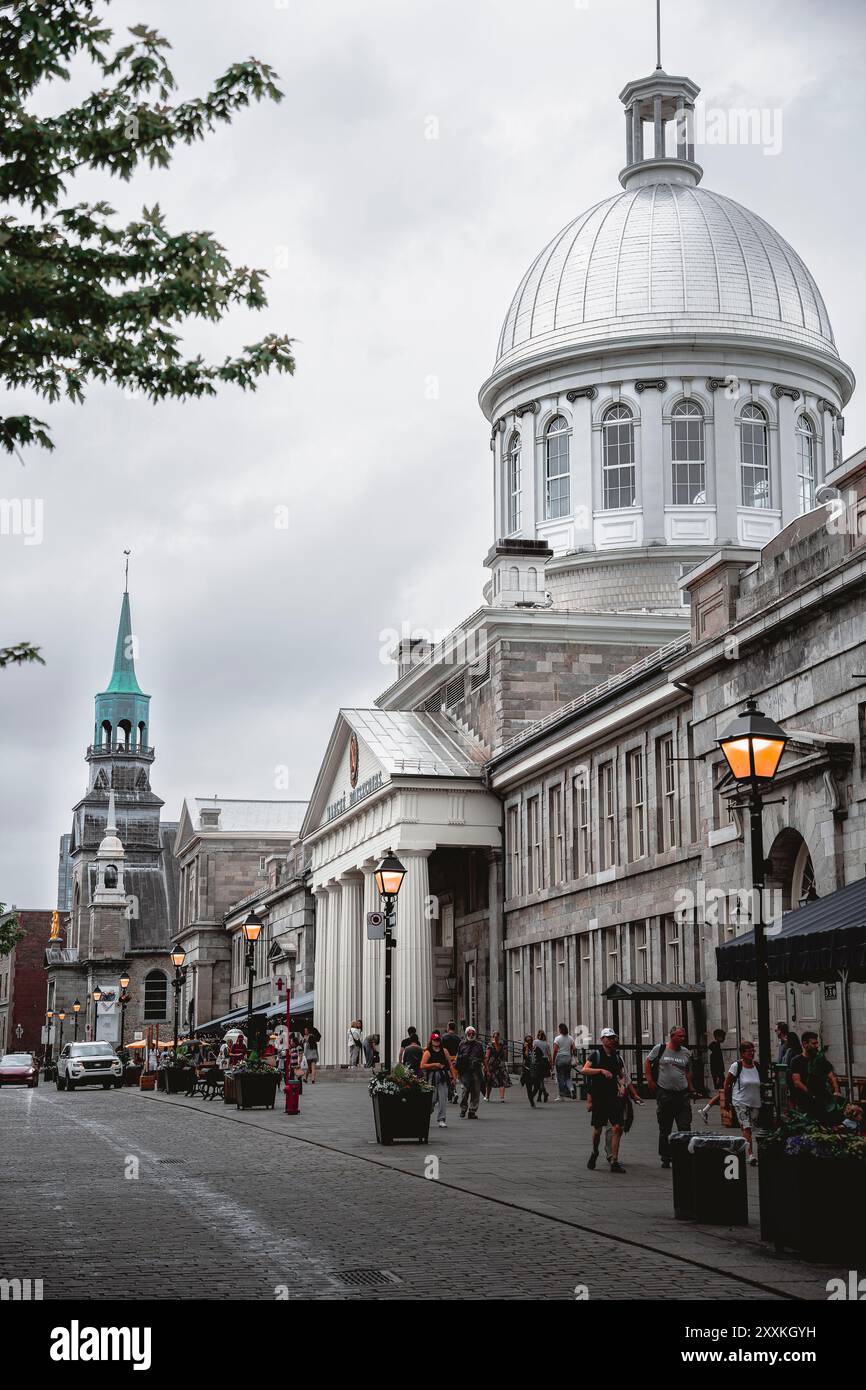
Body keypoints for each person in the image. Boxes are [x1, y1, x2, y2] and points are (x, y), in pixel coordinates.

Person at [645, 1025, 694, 1168]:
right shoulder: (660, 1049)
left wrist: (690, 1087)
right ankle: (665, 1156)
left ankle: (684, 1155)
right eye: (679, 1036)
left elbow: (688, 1070)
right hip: (665, 1093)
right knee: (665, 1127)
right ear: (672, 1036)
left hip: (682, 1094)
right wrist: (649, 1080)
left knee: (685, 1126)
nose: (682, 1039)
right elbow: (647, 1062)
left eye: (683, 1036)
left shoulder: (686, 1053)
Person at [583, 1027, 630, 1172]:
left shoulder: (616, 1057)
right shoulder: (596, 1055)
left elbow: (621, 1075)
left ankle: (614, 1160)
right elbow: (584, 1070)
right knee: (597, 1130)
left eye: (613, 1038)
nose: (611, 1040)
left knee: (617, 1127)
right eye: (608, 1038)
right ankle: (595, 1151)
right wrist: (600, 1070)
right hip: (599, 1097)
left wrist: (622, 1086)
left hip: (613, 1097)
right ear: (602, 1040)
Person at [723, 1040, 762, 1164]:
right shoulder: (736, 1066)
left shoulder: (757, 1065)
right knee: (747, 1127)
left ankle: (739, 1146)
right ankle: (751, 1155)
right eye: (748, 1051)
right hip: (740, 1101)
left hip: (755, 1102)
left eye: (753, 1051)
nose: (751, 1053)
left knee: (751, 1129)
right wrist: (727, 1101)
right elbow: (727, 1084)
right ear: (742, 1053)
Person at [789, 1031, 841, 1121]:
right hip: (804, 1102)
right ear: (805, 1044)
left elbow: (832, 1076)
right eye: (813, 1043)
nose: (816, 1046)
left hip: (822, 1101)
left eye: (817, 1043)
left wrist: (836, 1092)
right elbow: (797, 1082)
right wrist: (811, 1093)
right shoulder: (796, 1061)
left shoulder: (819, 1059)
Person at [421, 1032, 458, 1128]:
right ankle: (428, 1110)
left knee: (442, 1098)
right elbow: (422, 1065)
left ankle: (441, 1119)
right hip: (432, 1077)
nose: (436, 1042)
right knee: (432, 1099)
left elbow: (450, 1065)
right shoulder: (427, 1052)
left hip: (443, 1076)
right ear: (431, 1041)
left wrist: (454, 1078)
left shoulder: (444, 1051)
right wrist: (434, 1065)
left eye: (438, 1040)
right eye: (434, 1040)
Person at [456, 1026, 486, 1118]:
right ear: (466, 1034)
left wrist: (486, 1069)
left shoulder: (479, 1045)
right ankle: (463, 1109)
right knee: (465, 1090)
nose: (471, 1035)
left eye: (473, 1033)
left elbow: (483, 1057)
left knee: (476, 1091)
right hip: (465, 1071)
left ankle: (472, 1111)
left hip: (476, 1070)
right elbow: (458, 1057)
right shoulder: (462, 1044)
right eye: (469, 1033)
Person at [699, 1028, 728, 1123]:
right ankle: (705, 1110)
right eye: (723, 1037)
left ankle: (706, 1110)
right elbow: (716, 1063)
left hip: (719, 1073)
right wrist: (718, 1076)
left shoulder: (716, 1047)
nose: (724, 1039)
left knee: (722, 1093)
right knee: (722, 1093)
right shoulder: (715, 1048)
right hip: (718, 1074)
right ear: (718, 1037)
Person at [552, 1023, 576, 1101]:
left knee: (560, 1077)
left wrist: (553, 1061)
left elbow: (555, 1050)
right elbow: (574, 1048)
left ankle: (560, 1095)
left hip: (560, 1058)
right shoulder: (571, 1038)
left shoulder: (557, 1038)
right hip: (568, 1058)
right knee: (567, 1076)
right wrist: (573, 1056)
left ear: (560, 1029)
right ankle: (571, 1089)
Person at [484, 1031, 509, 1102]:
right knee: (501, 1080)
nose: (496, 1038)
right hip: (499, 1064)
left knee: (490, 1081)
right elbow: (504, 1056)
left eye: (496, 1037)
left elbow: (487, 1056)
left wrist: (485, 1065)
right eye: (496, 1037)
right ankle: (501, 1098)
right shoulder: (501, 1045)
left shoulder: (490, 1045)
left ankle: (489, 1097)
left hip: (493, 1065)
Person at [441, 1022, 462, 1102]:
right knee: (454, 1077)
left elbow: (442, 1050)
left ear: (448, 1027)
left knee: (449, 1078)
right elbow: (460, 1050)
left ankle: (452, 1094)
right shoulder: (458, 1038)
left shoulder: (444, 1037)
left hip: (447, 1060)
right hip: (455, 1059)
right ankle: (452, 1094)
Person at [532, 1030, 551, 1104]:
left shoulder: (535, 1042)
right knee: (541, 1079)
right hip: (545, 1061)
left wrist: (532, 1062)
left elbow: (533, 1052)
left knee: (539, 1079)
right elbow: (549, 1054)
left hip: (538, 1061)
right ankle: (540, 1097)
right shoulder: (546, 1043)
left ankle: (545, 1092)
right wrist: (551, 1063)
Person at [520, 1035, 537, 1106]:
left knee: (537, 1085)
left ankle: (531, 1096)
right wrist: (526, 1047)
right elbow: (526, 1056)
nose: (529, 1041)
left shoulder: (535, 1048)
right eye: (528, 1040)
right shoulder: (524, 1048)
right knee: (529, 1086)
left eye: (530, 1040)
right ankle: (531, 1101)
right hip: (527, 1069)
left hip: (535, 1068)